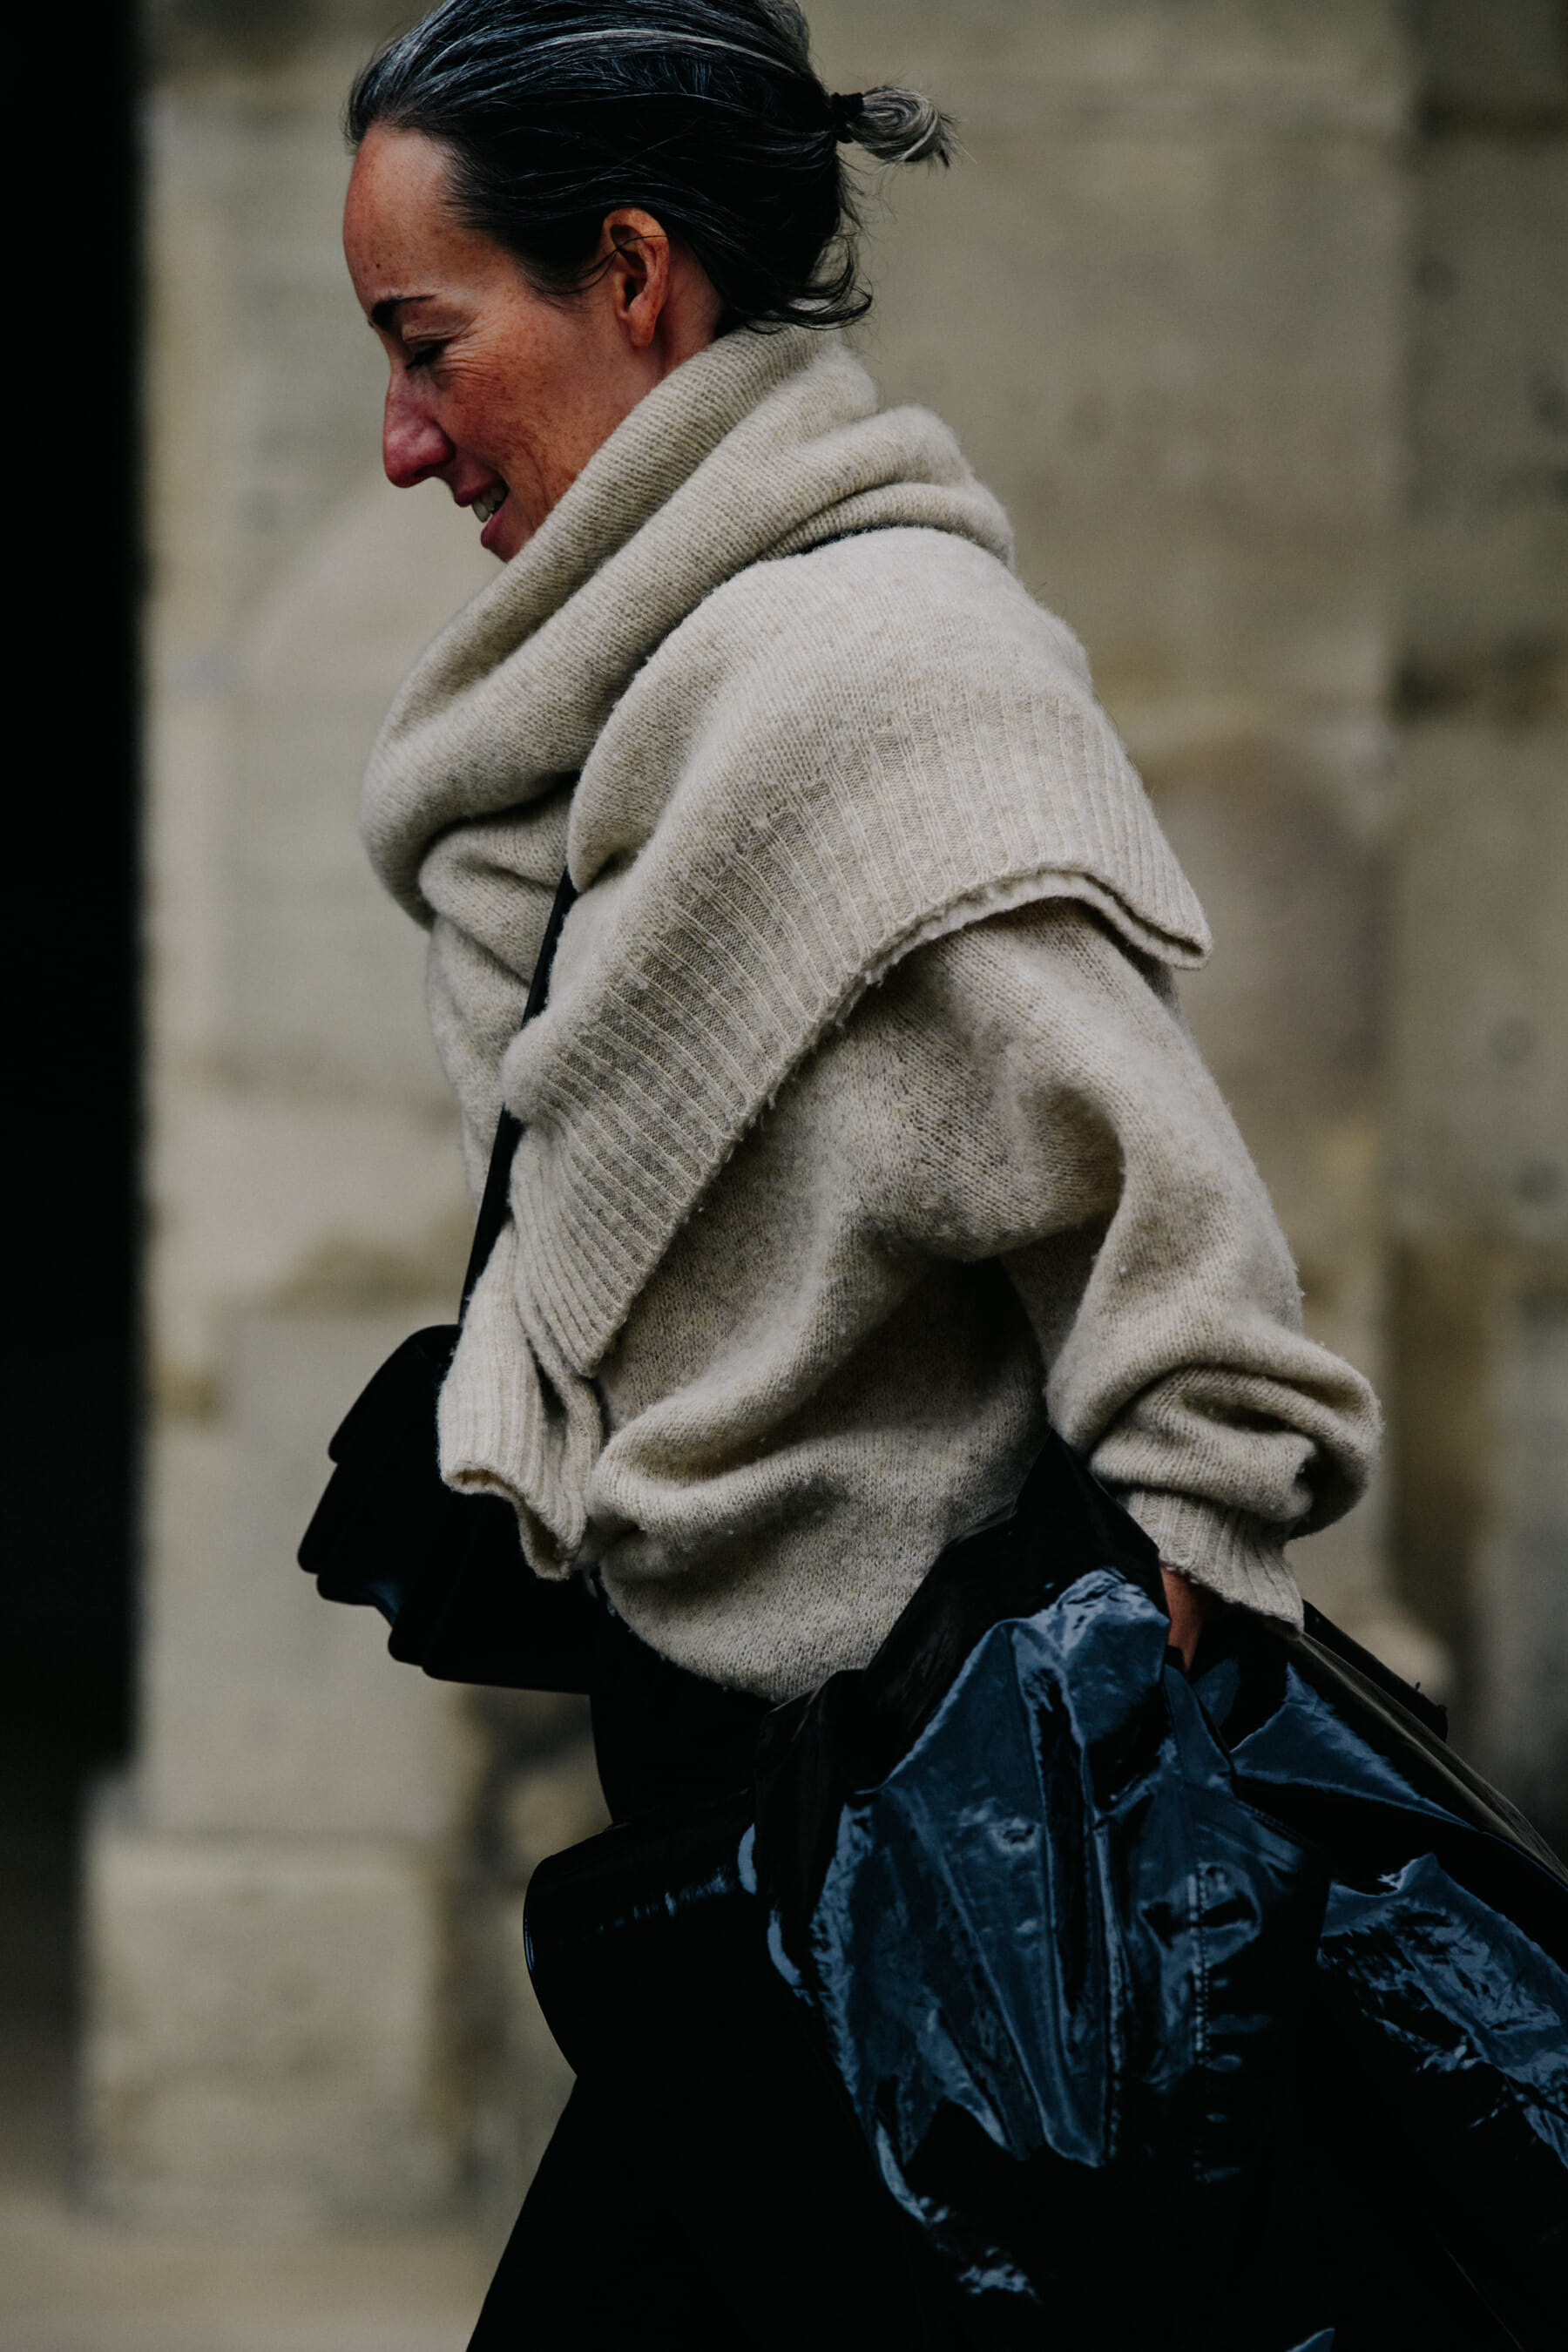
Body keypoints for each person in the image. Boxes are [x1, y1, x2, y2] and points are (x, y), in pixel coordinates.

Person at [337, 1, 1388, 2336]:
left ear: (632, 272)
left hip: (917, 1916)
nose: (401, 441)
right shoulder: (674, 684)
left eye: (427, 342)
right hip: (754, 1890)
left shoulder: (885, 686)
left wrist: (1045, 1891)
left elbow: (1204, 1357)